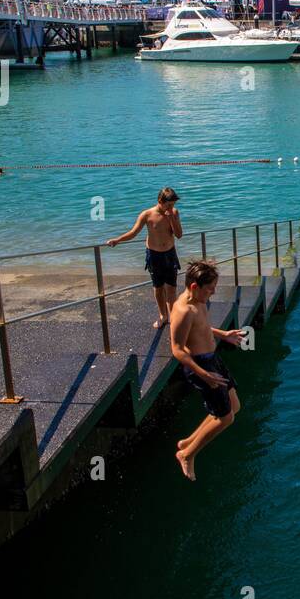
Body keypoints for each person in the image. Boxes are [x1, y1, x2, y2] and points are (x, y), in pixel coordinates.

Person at [170, 259, 247, 481]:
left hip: (213, 359)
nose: (212, 294)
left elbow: (202, 328)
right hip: (201, 367)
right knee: (225, 418)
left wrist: (223, 335)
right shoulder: (183, 310)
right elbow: (177, 350)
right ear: (195, 286)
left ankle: (187, 442)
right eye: (209, 290)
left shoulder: (198, 302)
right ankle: (187, 454)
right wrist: (204, 375)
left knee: (234, 406)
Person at [107, 186, 183, 328]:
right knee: (158, 287)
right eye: (169, 204)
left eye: (173, 205)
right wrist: (117, 240)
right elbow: (133, 233)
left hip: (169, 253)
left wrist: (172, 217)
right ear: (160, 200)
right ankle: (162, 315)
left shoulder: (174, 213)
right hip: (154, 255)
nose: (171, 207)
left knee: (171, 287)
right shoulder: (147, 214)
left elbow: (179, 235)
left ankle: (173, 317)